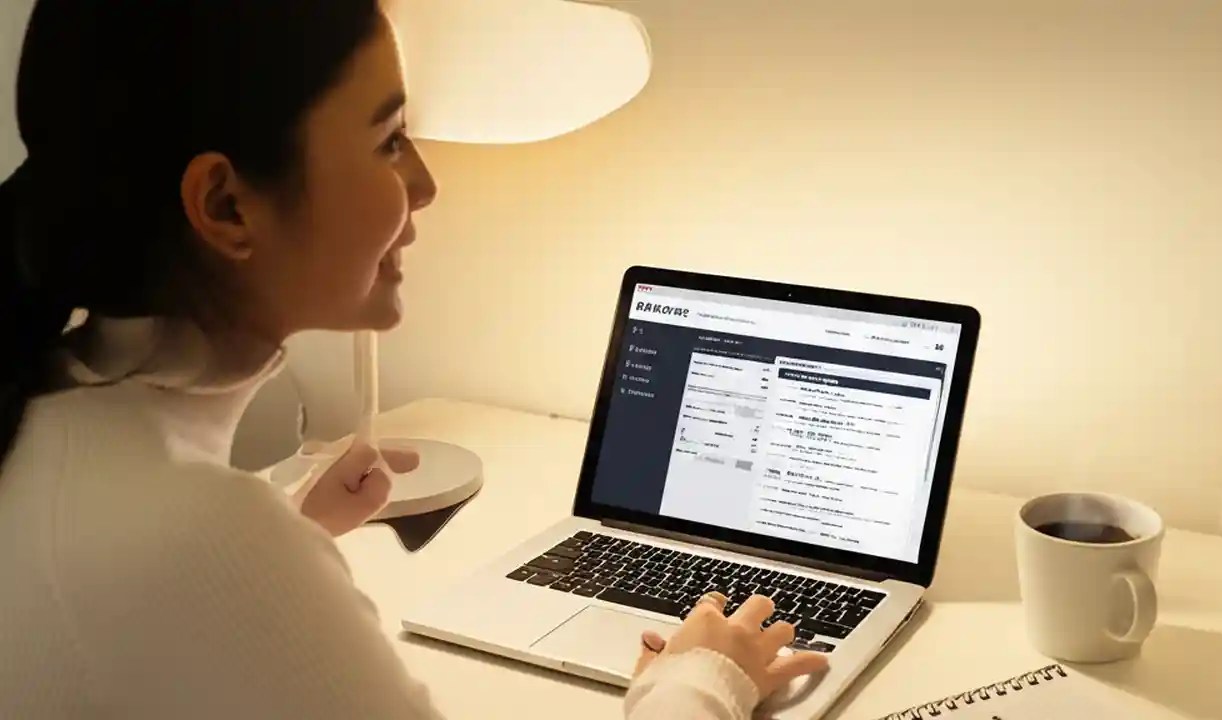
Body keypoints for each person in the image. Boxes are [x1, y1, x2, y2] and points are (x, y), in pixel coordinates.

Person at [0, 1, 829, 718]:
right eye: (390, 138)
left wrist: (286, 525)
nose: (424, 182)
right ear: (226, 205)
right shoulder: (197, 538)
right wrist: (700, 679)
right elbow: (176, 563)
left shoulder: (46, 418)